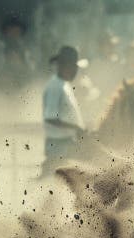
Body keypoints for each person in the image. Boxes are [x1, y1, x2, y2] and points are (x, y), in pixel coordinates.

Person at [41, 45, 88, 176]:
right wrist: (76, 128)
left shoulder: (63, 85)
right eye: (74, 67)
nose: (76, 71)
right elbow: (50, 117)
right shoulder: (55, 86)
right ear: (66, 66)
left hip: (65, 143)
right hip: (59, 145)